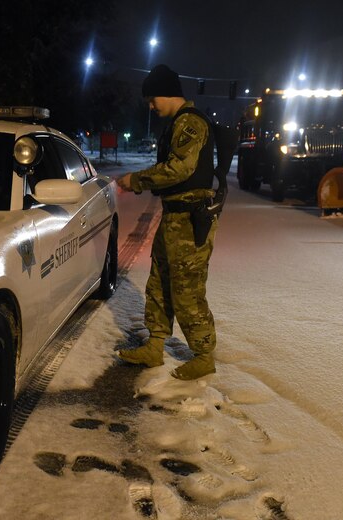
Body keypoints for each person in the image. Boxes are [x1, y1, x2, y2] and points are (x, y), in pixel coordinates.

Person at [116, 64, 219, 380]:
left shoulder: (190, 124)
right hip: (174, 216)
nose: (150, 106)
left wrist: (138, 179)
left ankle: (203, 356)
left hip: (190, 220)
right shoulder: (177, 123)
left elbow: (179, 169)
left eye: (152, 99)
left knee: (187, 288)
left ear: (166, 93)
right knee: (160, 283)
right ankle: (155, 345)